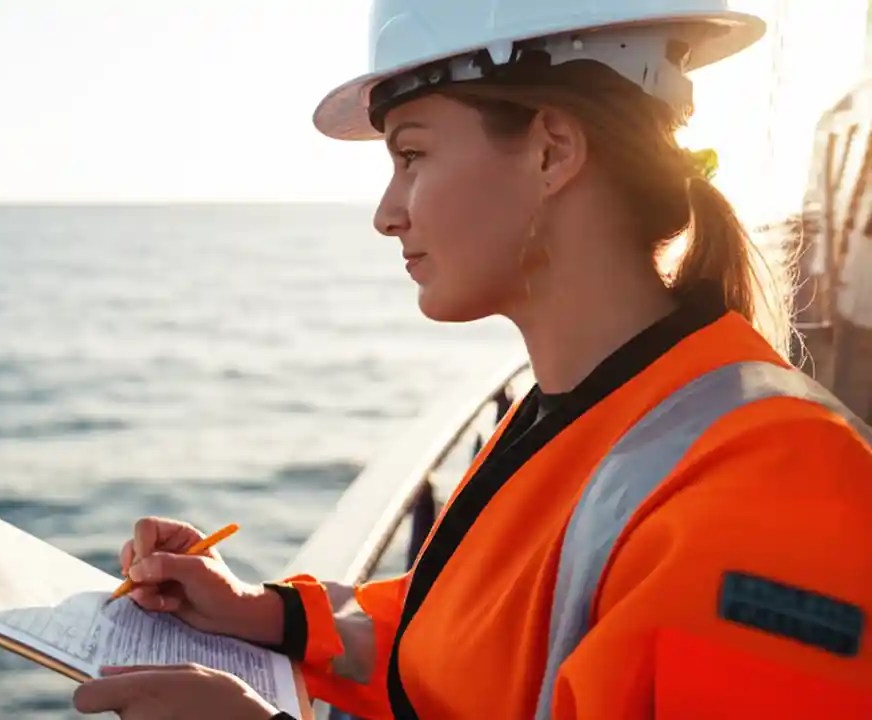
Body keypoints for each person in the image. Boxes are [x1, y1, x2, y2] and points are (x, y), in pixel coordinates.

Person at [72, 1, 872, 717]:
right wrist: (268, 613)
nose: (388, 213)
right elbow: (468, 659)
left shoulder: (776, 487)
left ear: (552, 151)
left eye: (411, 155)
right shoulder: (577, 413)